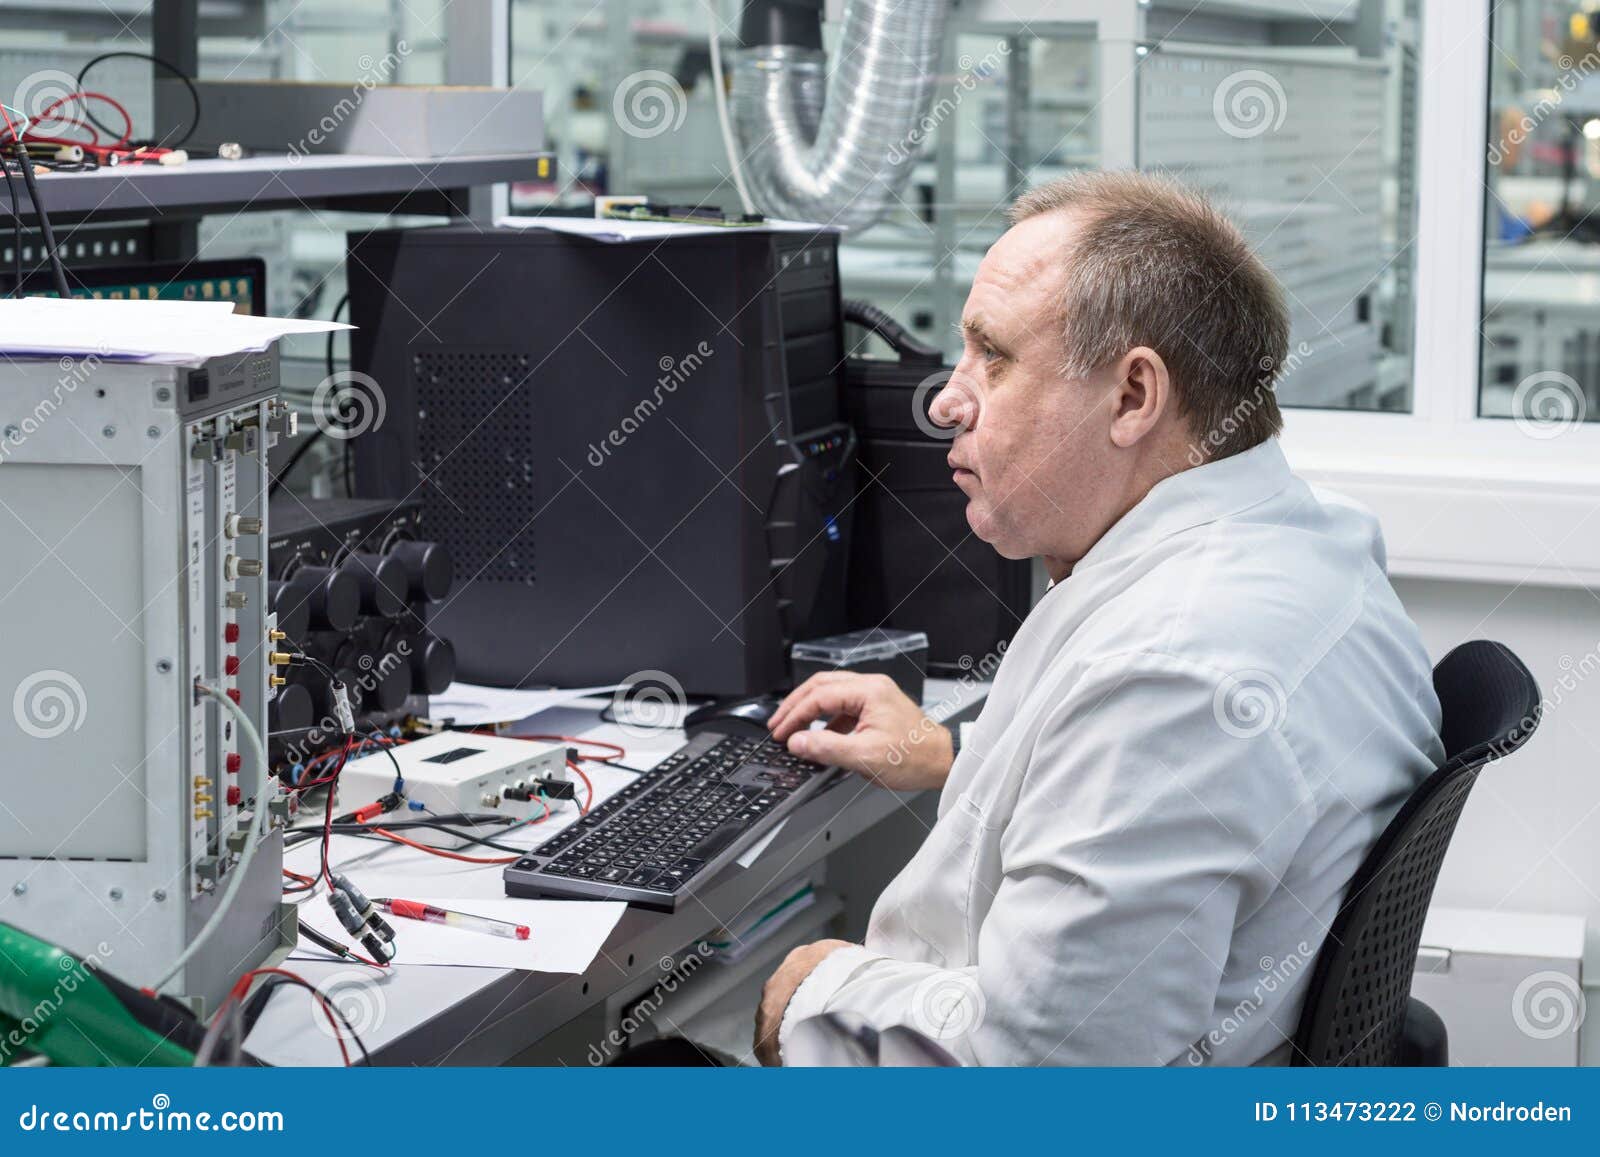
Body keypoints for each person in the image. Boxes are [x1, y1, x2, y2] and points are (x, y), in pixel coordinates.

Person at [752, 171, 1444, 1067]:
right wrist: (959, 758)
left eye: (991, 356)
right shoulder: (1313, 543)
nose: (946, 400)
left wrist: (813, 991)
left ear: (1132, 398)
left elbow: (1035, 1073)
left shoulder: (1173, 676)